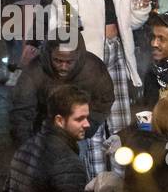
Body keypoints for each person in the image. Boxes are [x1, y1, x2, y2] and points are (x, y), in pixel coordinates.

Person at [52, 0, 151, 175]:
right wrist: (71, 52)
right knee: (92, 119)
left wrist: (141, 9)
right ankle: (95, 180)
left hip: (116, 51)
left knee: (120, 121)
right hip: (88, 58)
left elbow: (130, 22)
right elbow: (61, 24)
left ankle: (118, 180)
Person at [10, 23, 114, 179]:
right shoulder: (35, 70)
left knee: (69, 174)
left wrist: (86, 127)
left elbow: (104, 100)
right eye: (58, 61)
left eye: (69, 62)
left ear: (78, 57)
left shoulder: (93, 68)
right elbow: (21, 112)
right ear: (49, 54)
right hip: (42, 128)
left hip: (76, 129)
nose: (63, 67)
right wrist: (26, 148)